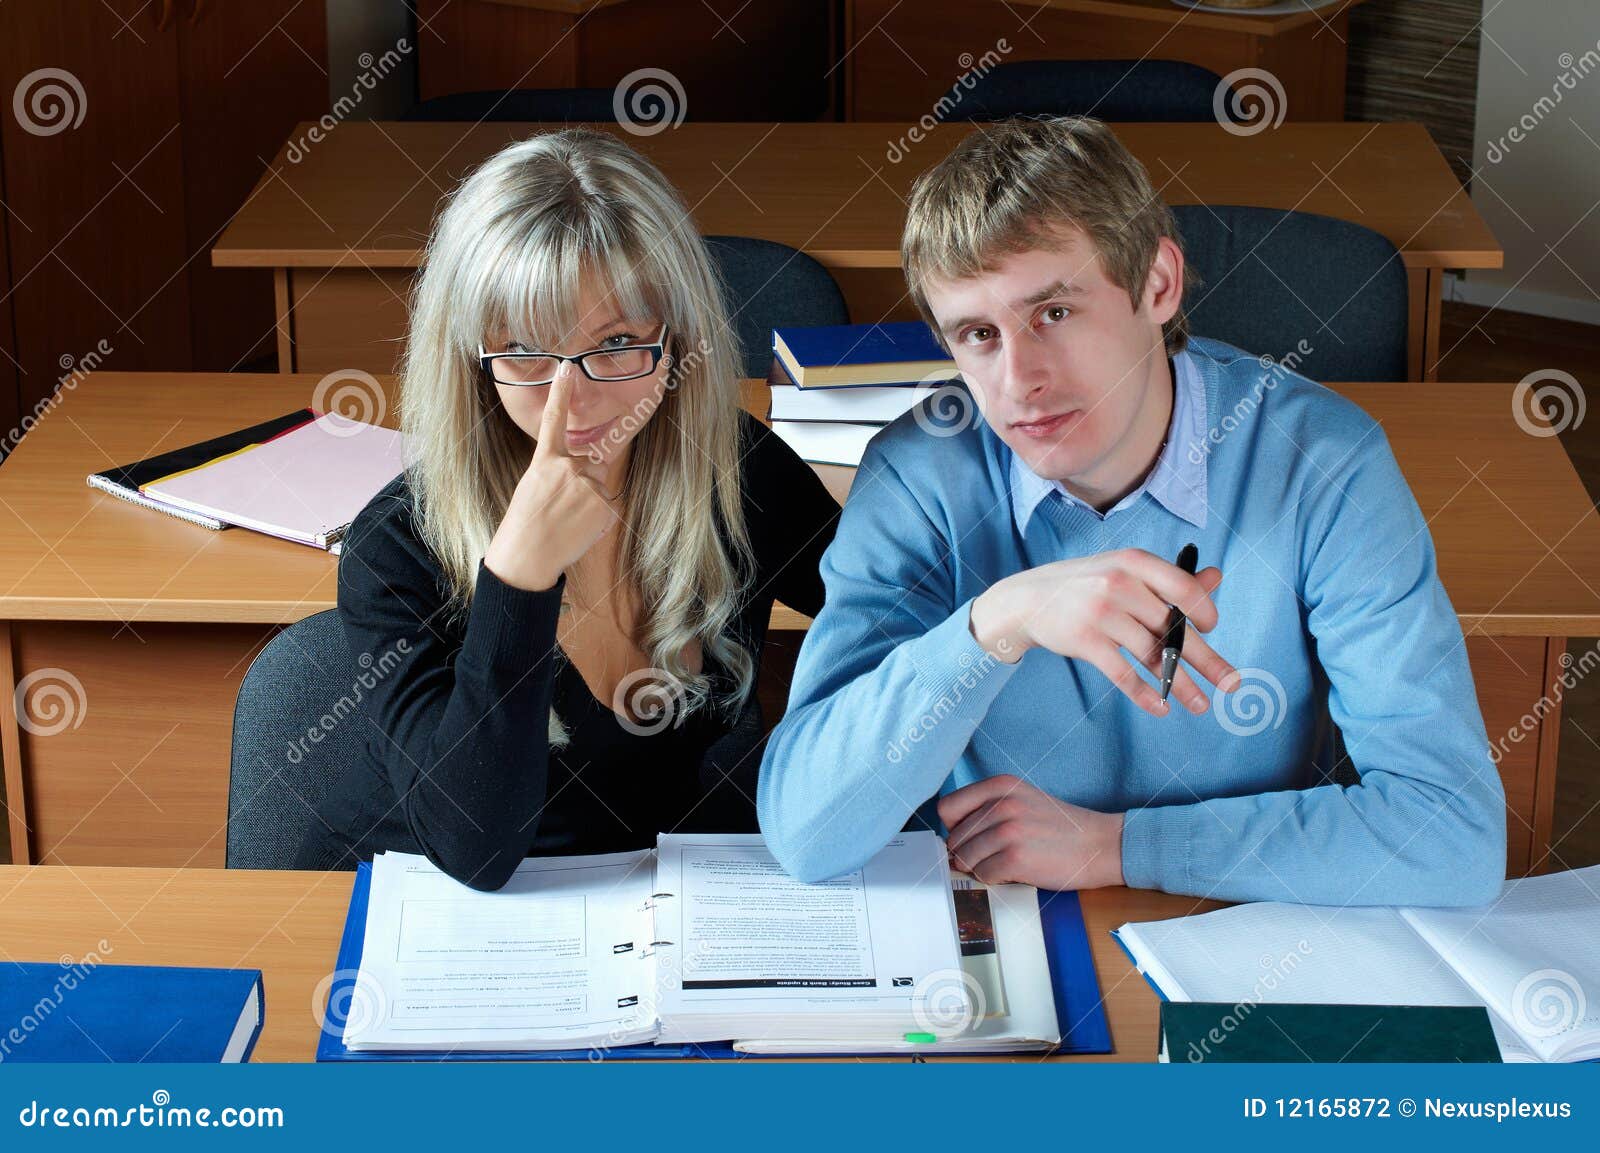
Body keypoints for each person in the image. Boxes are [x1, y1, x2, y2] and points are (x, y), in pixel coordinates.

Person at [757, 116, 1505, 908]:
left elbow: (1453, 836)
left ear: (1158, 284)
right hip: (1015, 925)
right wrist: (995, 622)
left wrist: (1116, 845)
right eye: (979, 334)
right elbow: (808, 832)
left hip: (1235, 919)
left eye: (1054, 313)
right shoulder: (916, 476)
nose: (1019, 380)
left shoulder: (1326, 463)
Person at [311, 128, 840, 891]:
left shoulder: (733, 468)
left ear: (676, 337)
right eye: (525, 350)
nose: (574, 400)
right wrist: (518, 579)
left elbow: (895, 606)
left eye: (618, 341)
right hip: (480, 925)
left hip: (663, 911)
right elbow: (476, 852)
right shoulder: (398, 548)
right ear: (469, 357)